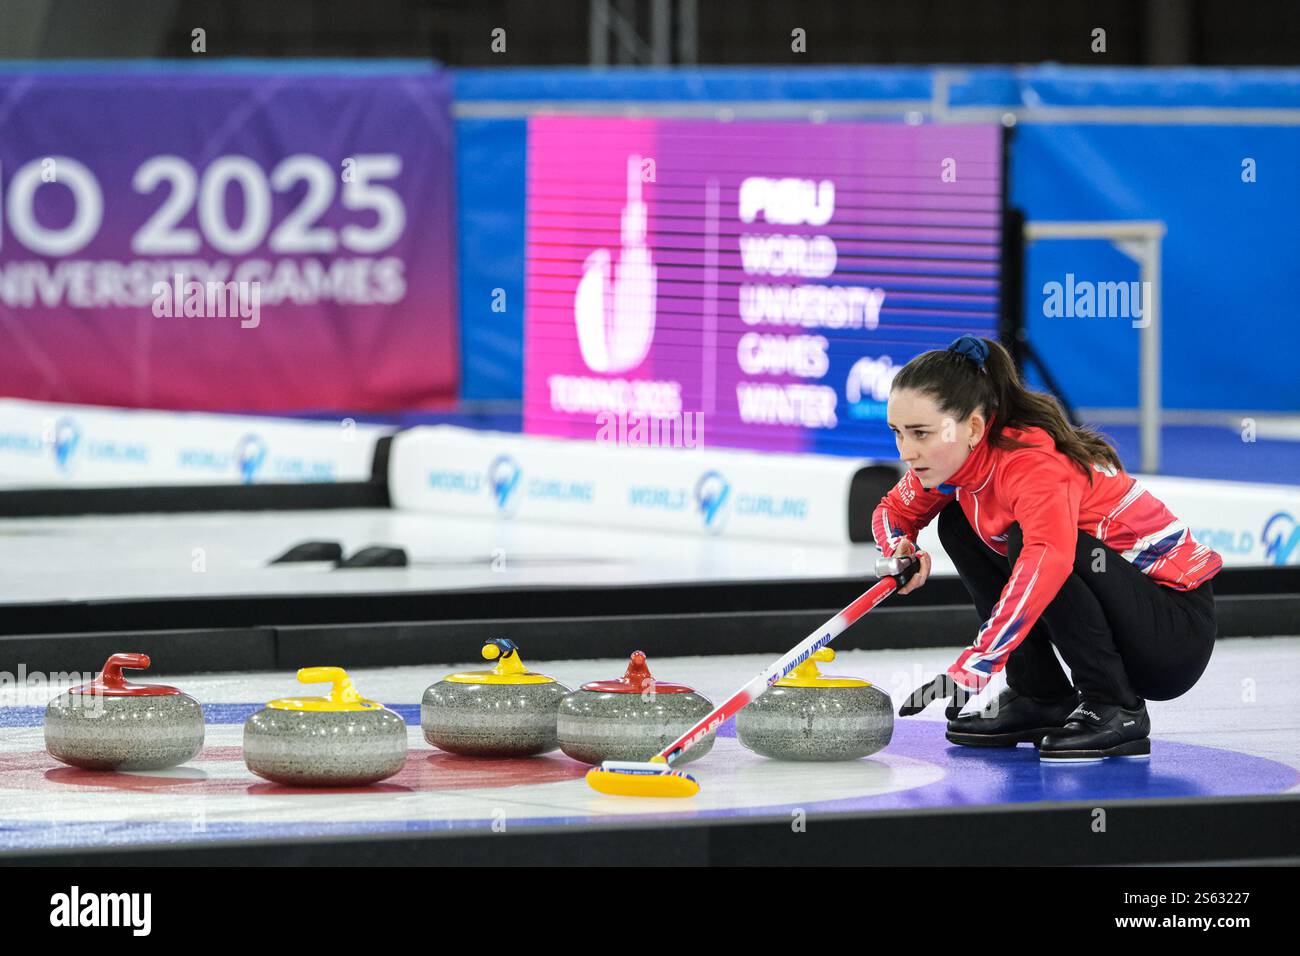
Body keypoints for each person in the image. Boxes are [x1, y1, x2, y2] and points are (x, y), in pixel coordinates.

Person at [873, 334, 1221, 761]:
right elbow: (894, 510)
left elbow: (1047, 560)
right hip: (1130, 614)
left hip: (1173, 634)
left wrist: (978, 663)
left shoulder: (1030, 462)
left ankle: (1116, 707)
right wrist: (900, 550)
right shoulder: (955, 460)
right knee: (959, 523)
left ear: (974, 428)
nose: (906, 452)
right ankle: (1041, 696)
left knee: (1036, 544)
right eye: (898, 433)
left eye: (920, 433)